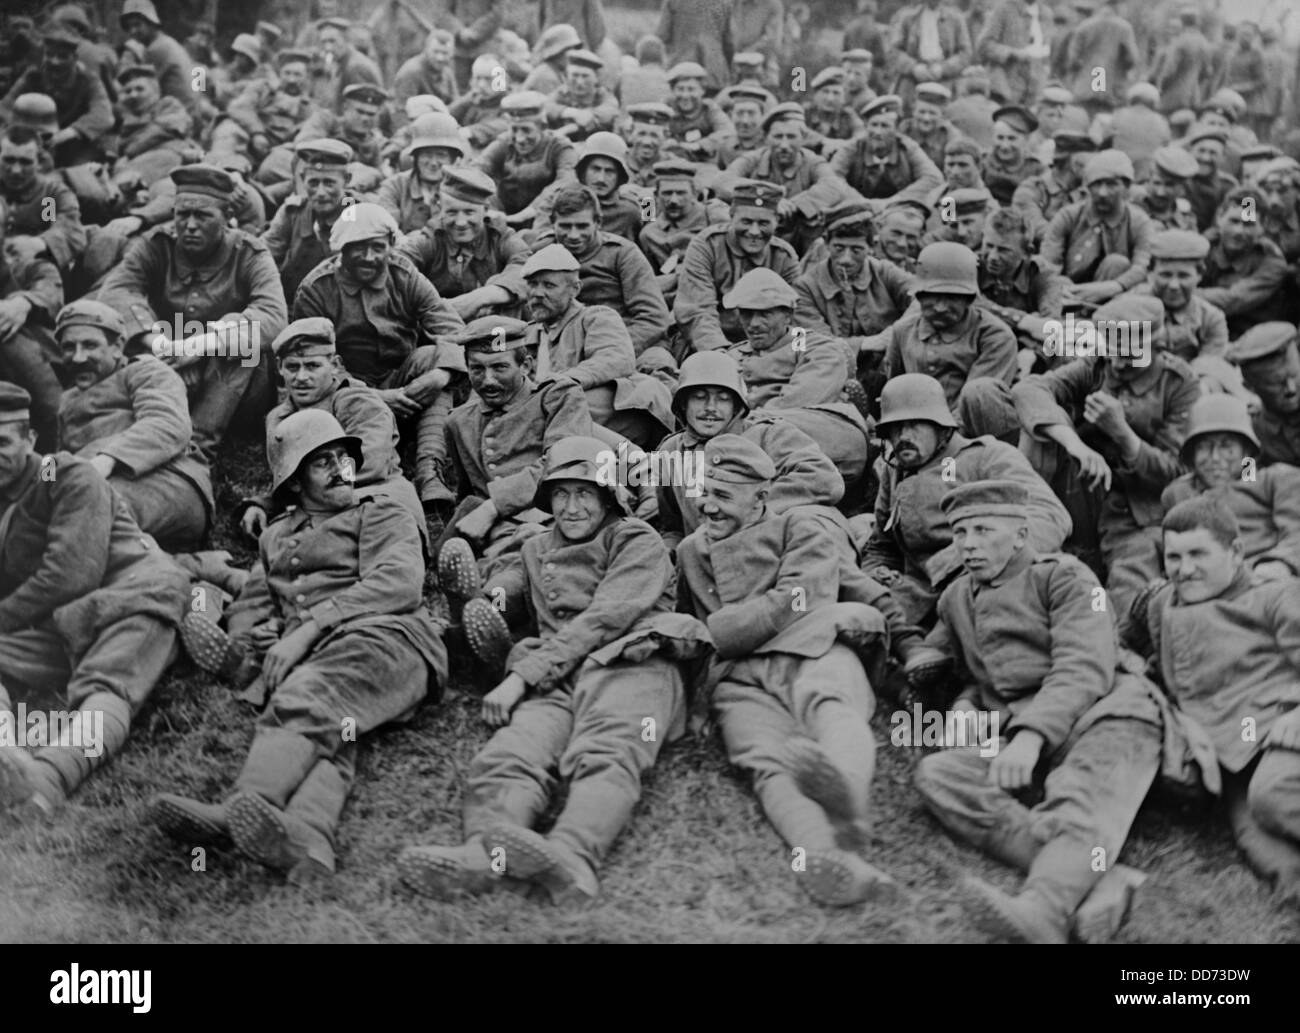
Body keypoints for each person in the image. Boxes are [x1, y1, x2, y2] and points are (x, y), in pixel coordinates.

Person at [397, 435, 706, 903]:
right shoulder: (536, 547)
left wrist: (521, 675)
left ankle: (572, 855)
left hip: (633, 660)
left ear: (608, 497)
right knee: (511, 754)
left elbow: (607, 616)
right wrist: (487, 604)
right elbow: (520, 591)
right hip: (559, 675)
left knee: (610, 750)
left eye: (585, 493)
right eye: (561, 493)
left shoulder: (635, 539)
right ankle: (485, 855)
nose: (572, 506)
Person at [150, 409, 446, 883]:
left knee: (307, 697)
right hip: (323, 658)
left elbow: (399, 584)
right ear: (293, 481)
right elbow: (255, 602)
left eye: (343, 458)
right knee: (334, 736)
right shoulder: (276, 536)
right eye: (321, 461)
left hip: (389, 640)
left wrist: (307, 627)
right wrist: (258, 637)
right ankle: (310, 838)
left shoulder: (382, 510)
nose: (339, 469)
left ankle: (246, 804)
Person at [910, 478, 1163, 943]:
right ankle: (1102, 877)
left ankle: (1044, 911)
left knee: (1080, 798)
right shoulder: (955, 600)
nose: (968, 545)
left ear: (1021, 535)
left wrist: (1029, 738)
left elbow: (1085, 666)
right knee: (941, 774)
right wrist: (966, 708)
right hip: (1023, 730)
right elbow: (975, 675)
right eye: (960, 533)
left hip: (1107, 713)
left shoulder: (1065, 576)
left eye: (983, 530)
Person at [676, 434, 923, 906]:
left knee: (831, 706)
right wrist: (695, 700)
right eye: (704, 492)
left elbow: (798, 597)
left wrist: (724, 629)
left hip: (813, 644)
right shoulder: (691, 551)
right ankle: (826, 855)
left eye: (723, 495)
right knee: (764, 762)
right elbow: (690, 626)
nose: (708, 506)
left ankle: (846, 796)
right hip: (741, 680)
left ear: (762, 497)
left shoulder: (802, 528)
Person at [0, 380, 190, 818]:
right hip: (62, 623)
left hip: (129, 594)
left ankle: (47, 777)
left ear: (30, 439)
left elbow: (71, 574)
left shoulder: (66, 474)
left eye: (2, 441)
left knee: (106, 687)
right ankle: (6, 754)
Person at [1130, 495, 1300, 903]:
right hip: (1232, 756)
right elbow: (1116, 646)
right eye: (1174, 557)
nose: (1185, 570)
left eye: (1198, 554)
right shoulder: (1161, 603)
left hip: (1283, 730)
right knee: (1263, 847)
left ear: (1236, 551)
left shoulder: (1274, 594)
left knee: (1274, 797)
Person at [1012, 293, 1201, 625]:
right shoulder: (1096, 365)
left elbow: (1177, 472)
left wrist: (1123, 433)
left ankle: (1125, 635)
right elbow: (1029, 390)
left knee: (1130, 574)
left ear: (1156, 345)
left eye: (1130, 355)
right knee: (1009, 411)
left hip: (1135, 506)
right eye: (1112, 352)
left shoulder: (1179, 383)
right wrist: (1074, 444)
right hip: (1079, 488)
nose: (1118, 364)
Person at [97, 164, 288, 462]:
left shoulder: (250, 253)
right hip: (171, 359)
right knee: (117, 334)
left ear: (227, 218)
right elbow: (116, 291)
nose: (190, 225)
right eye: (182, 214)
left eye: (203, 216)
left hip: (235, 389)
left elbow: (273, 316)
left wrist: (199, 345)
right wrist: (156, 341)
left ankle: (197, 449)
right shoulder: (157, 244)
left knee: (245, 344)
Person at [293, 202, 466, 513]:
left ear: (390, 246)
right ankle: (354, 486)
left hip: (402, 374)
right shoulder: (316, 290)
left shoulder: (404, 275)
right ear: (341, 249)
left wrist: (440, 374)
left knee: (432, 358)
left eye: (378, 247)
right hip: (344, 390)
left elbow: (449, 326)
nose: (370, 257)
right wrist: (375, 396)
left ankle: (429, 470)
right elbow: (314, 363)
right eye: (358, 247)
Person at [862, 373, 1070, 626]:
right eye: (894, 428)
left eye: (915, 424)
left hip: (987, 582)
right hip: (917, 595)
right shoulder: (895, 472)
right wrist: (876, 574)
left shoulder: (988, 456)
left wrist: (970, 552)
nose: (903, 435)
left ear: (941, 426)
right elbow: (882, 546)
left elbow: (1050, 516)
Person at [53, 299, 211, 552]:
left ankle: (205, 570)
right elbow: (62, 459)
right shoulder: (67, 401)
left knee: (84, 511)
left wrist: (104, 461)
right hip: (97, 485)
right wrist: (38, 480)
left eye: (90, 345)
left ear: (117, 346)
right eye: (68, 347)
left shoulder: (146, 371)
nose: (78, 357)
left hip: (166, 480)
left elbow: (167, 424)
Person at [655, 351, 842, 548]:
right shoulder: (672, 451)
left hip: (769, 548)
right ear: (683, 404)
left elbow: (824, 479)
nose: (711, 407)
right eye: (699, 398)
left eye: (724, 399)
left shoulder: (769, 434)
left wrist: (749, 511)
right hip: (708, 557)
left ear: (737, 406)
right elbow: (672, 527)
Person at [520, 243, 671, 449]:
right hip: (557, 412)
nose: (537, 293)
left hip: (611, 413)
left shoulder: (596, 317)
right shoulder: (527, 333)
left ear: (575, 289)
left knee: (555, 407)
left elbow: (616, 358)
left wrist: (560, 381)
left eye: (548, 285)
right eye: (532, 284)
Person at [878, 241, 1019, 439]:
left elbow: (980, 401)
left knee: (979, 390)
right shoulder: (903, 332)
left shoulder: (995, 336)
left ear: (969, 299)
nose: (941, 307)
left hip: (981, 436)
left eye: (952, 297)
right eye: (932, 297)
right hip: (920, 436)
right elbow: (895, 390)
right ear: (918, 296)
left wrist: (943, 441)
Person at [1159, 394, 1300, 579]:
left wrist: (1280, 563)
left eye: (1227, 446)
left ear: (1246, 450)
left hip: (1265, 580)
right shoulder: (1178, 493)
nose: (1215, 457)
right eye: (1204, 447)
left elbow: (1297, 534)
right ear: (1192, 454)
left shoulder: (1275, 479)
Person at [674, 180, 799, 354]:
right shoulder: (707, 245)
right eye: (746, 222)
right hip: (709, 344)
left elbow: (797, 316)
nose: (754, 231)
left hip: (768, 348)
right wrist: (721, 351)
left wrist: (798, 354)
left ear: (776, 221)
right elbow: (698, 310)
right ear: (731, 216)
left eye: (763, 223)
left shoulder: (783, 256)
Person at [395, 166, 529, 321]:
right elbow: (397, 268)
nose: (460, 222)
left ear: (485, 210)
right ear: (440, 209)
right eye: (451, 212)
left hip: (495, 333)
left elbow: (526, 265)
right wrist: (439, 306)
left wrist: (485, 295)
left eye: (469, 212)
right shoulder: (430, 239)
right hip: (440, 329)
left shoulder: (500, 237)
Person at [1040, 148, 1153, 307]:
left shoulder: (1139, 221)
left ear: (1126, 186)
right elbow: (1048, 263)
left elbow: (1142, 267)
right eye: (1096, 184)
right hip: (1068, 296)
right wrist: (1060, 287)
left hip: (1115, 300)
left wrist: (1113, 286)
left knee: (1117, 263)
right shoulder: (1068, 216)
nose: (1102, 192)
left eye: (1111, 184)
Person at [0, 195, 64, 452]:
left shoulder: (26, 269)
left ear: (5, 231)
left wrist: (24, 302)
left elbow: (51, 289)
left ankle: (55, 462)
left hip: (35, 385)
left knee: (10, 337)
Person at [0, 24, 113, 168]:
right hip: (34, 143)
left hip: (76, 146)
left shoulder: (88, 80)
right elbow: (5, 107)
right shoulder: (32, 77)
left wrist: (69, 133)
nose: (55, 61)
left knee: (79, 181)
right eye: (50, 54)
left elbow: (104, 115)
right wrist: (19, 131)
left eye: (63, 56)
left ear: (75, 57)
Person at [261, 139, 358, 304]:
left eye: (329, 183)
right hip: (293, 305)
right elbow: (264, 256)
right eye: (313, 183)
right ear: (302, 179)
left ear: (347, 180)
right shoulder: (292, 212)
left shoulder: (357, 212)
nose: (320, 192)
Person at [475, 90, 577, 224]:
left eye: (526, 130)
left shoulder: (560, 147)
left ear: (542, 127)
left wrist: (524, 215)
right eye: (514, 130)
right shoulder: (504, 143)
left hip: (545, 219)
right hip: (503, 218)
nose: (520, 138)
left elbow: (566, 181)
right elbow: (477, 169)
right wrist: (490, 208)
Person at [830, 95, 943, 209]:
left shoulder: (907, 147)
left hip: (899, 210)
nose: (878, 132)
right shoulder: (853, 147)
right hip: (857, 208)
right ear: (866, 126)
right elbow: (832, 176)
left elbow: (933, 178)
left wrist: (895, 200)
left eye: (885, 126)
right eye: (874, 125)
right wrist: (859, 201)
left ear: (896, 130)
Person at [377, 113, 468, 233]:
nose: (433, 162)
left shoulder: (464, 189)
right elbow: (387, 228)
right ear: (415, 157)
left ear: (453, 159)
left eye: (441, 155)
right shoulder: (395, 186)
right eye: (427, 154)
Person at [1233, 323, 1300, 468]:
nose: (1291, 389)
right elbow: (1248, 482)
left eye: (1295, 376)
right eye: (1276, 383)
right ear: (1250, 387)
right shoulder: (1251, 430)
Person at [662, 62, 736, 165]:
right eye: (680, 89)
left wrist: (700, 145)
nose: (685, 95)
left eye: (691, 89)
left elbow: (728, 132)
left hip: (704, 164)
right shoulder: (666, 108)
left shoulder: (709, 109)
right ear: (673, 91)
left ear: (702, 91)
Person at [656, 0, 734, 94]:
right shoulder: (723, 2)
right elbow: (729, 42)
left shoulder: (673, 2)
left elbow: (662, 35)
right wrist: (727, 68)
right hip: (714, 71)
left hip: (681, 67)